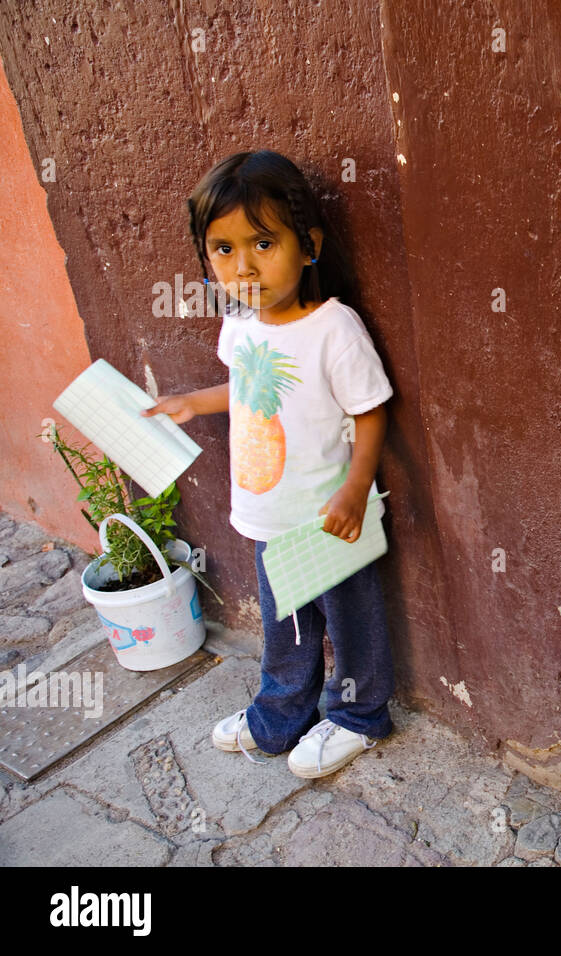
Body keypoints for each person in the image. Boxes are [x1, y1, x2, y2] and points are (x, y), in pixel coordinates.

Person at [143, 150, 396, 778]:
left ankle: (360, 717)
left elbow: (370, 413)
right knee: (287, 626)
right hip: (265, 512)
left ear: (307, 243)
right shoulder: (240, 319)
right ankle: (281, 715)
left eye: (262, 241)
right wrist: (190, 404)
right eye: (223, 249)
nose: (244, 265)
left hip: (330, 520)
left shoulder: (334, 329)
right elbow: (244, 388)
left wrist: (355, 488)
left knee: (350, 620)